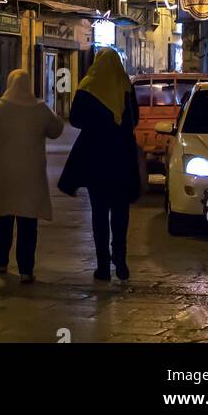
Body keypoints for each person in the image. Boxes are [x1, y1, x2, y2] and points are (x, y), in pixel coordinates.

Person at [58, 47, 140, 282]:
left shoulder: (88, 85)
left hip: (96, 159)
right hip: (122, 158)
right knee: (121, 212)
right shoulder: (125, 84)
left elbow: (74, 118)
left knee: (99, 212)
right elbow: (135, 118)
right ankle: (121, 261)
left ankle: (103, 266)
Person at [0, 68, 64, 284]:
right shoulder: (39, 110)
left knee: (3, 218)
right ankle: (26, 270)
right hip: (31, 175)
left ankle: (1, 262)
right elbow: (57, 130)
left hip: (3, 174)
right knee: (28, 223)